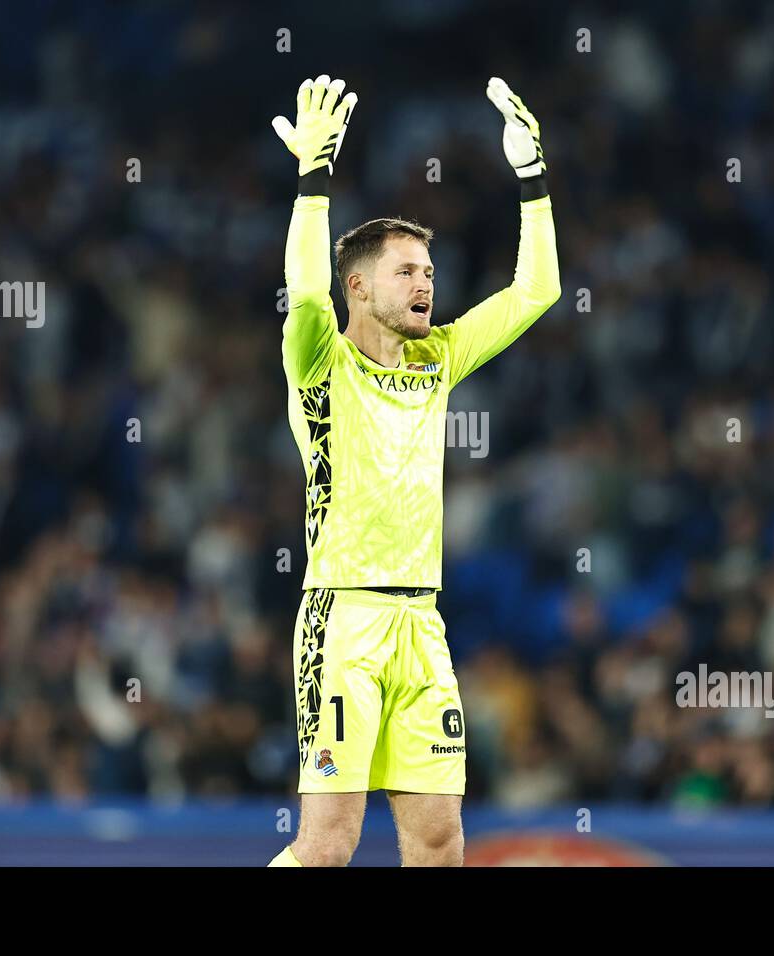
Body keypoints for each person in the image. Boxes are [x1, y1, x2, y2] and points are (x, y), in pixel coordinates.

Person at [266, 74, 560, 866]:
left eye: (429, 271)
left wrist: (533, 181)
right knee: (328, 847)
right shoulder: (320, 360)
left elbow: (538, 291)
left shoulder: (439, 359)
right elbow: (302, 288)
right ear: (357, 286)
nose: (425, 283)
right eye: (406, 271)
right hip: (343, 622)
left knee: (437, 839)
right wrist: (313, 180)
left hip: (421, 625)